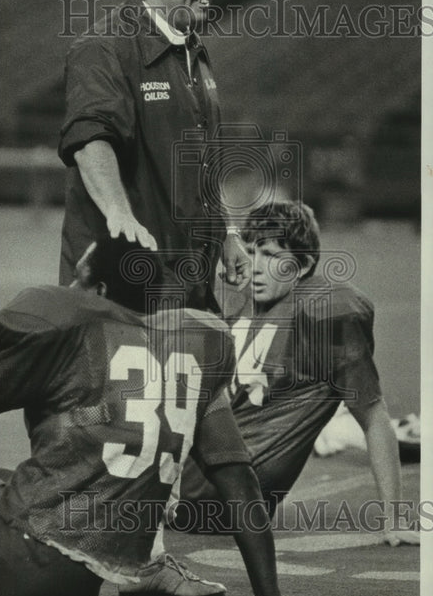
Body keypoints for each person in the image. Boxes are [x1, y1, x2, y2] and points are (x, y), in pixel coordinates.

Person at [0, 237, 352, 596]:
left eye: (80, 278)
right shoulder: (194, 351)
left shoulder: (75, 329)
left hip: (31, 555)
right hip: (62, 566)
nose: (70, 288)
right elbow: (239, 482)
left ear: (102, 293)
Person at [179, 201, 420, 547]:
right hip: (181, 483)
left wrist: (393, 518)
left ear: (303, 265)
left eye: (272, 255)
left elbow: (373, 415)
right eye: (250, 252)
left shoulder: (326, 310)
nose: (256, 267)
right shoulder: (233, 296)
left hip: (216, 501)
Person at [58, 0, 251, 311]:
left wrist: (227, 231)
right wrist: (118, 214)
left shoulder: (193, 51)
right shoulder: (104, 47)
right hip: (122, 288)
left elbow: (204, 159)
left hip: (188, 288)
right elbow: (91, 139)